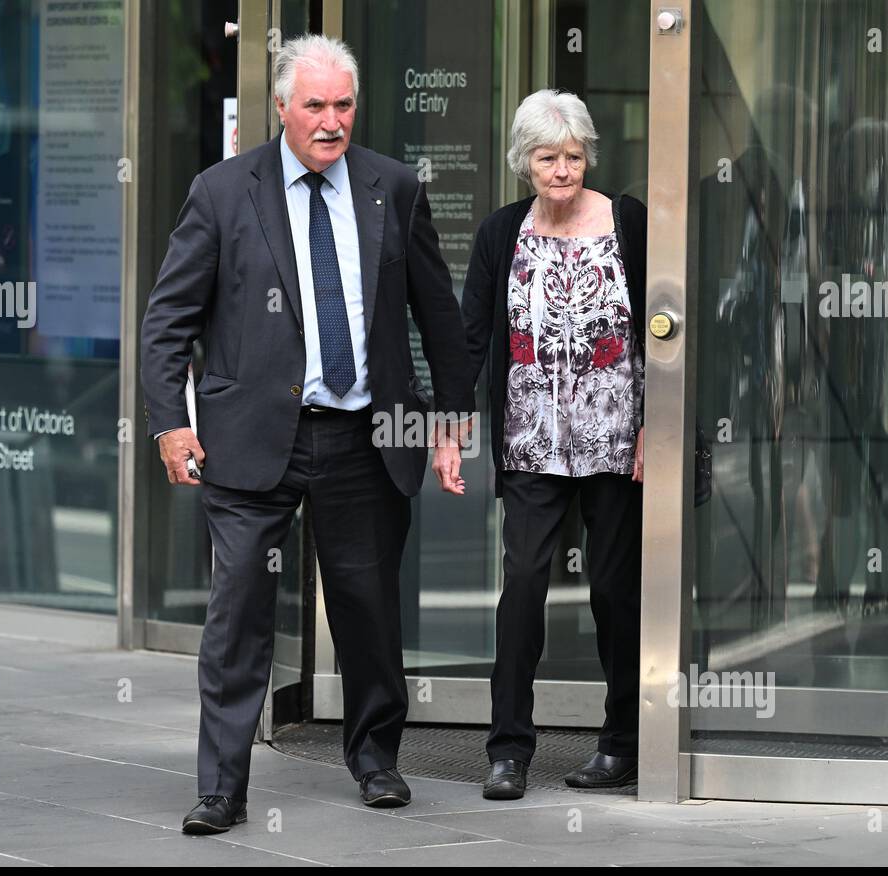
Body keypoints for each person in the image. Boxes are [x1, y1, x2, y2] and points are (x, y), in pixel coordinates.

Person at [140, 34, 474, 834]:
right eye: (315, 105)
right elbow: (167, 321)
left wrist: (450, 422)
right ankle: (221, 786)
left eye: (344, 105)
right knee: (238, 613)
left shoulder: (394, 186)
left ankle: (375, 759)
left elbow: (438, 314)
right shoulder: (223, 192)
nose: (331, 122)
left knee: (366, 607)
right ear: (282, 107)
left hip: (365, 434)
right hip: (251, 438)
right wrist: (169, 423)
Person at [462, 90, 647, 799]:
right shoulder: (500, 232)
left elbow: (664, 332)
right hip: (532, 439)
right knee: (524, 590)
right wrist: (451, 424)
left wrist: (657, 432)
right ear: (524, 162)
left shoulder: (627, 220)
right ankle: (508, 750)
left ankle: (622, 743)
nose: (562, 170)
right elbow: (470, 336)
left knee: (613, 594)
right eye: (547, 157)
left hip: (615, 442)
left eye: (572, 156)